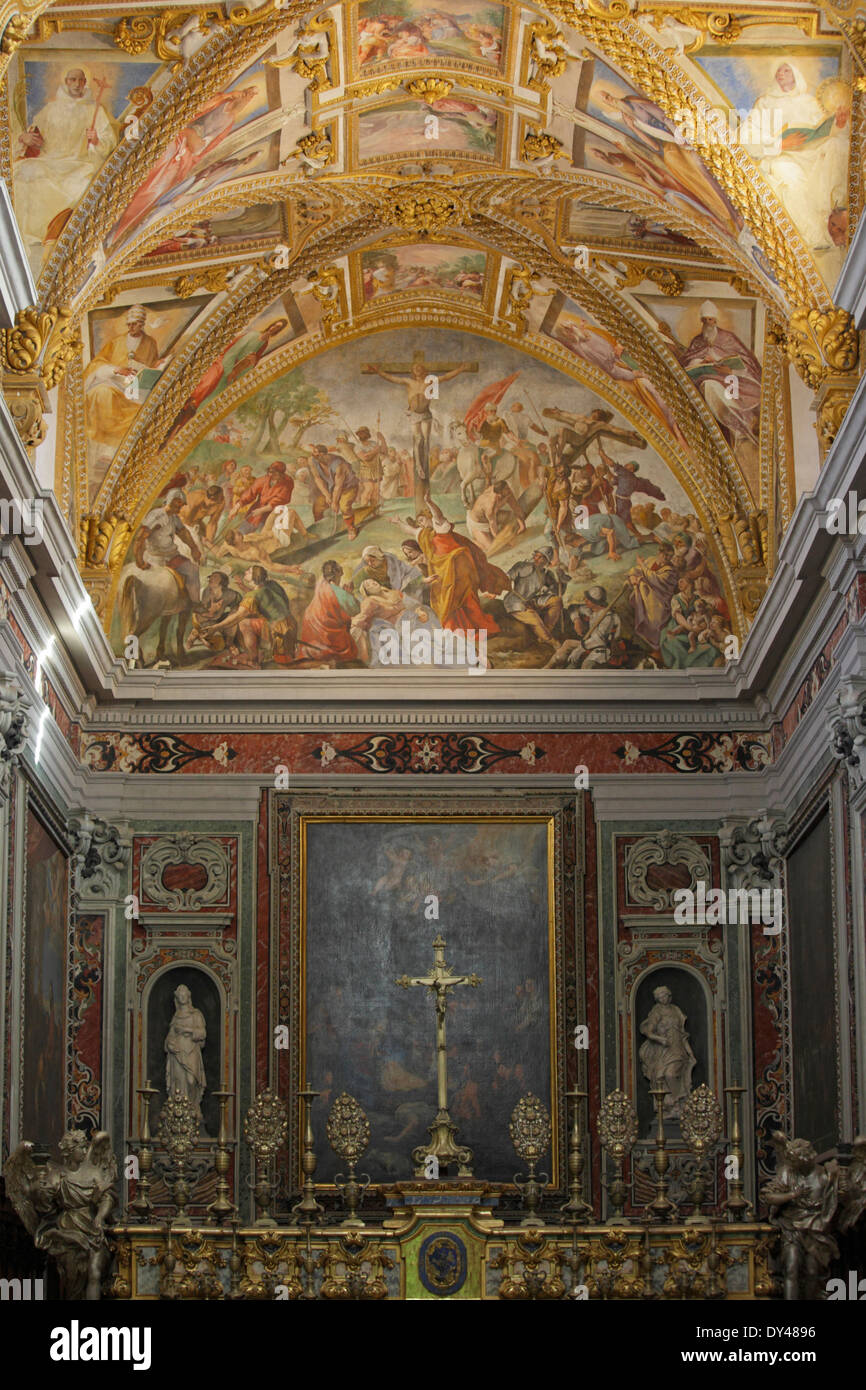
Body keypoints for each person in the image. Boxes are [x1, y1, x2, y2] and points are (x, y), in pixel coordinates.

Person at [14, 68, 115, 262]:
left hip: (80, 163)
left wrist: (95, 140)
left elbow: (109, 142)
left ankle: (57, 239)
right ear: (66, 82)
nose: (76, 84)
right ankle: (22, 237)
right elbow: (36, 138)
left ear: (85, 82)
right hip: (50, 160)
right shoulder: (51, 109)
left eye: (80, 80)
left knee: (78, 185)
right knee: (26, 171)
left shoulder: (94, 109)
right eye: (72, 80)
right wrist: (25, 138)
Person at [84, 305, 162, 455]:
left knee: (143, 409)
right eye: (129, 324)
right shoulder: (116, 342)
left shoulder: (150, 343)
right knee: (101, 393)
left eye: (135, 324)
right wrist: (116, 369)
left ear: (142, 324)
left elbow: (151, 367)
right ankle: (105, 442)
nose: (131, 327)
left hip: (137, 387)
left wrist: (154, 367)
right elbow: (97, 364)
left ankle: (122, 447)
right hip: (114, 382)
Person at [203, 564, 296, 666]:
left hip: (277, 631)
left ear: (255, 576)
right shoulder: (271, 584)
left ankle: (253, 659)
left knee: (244, 622)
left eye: (249, 571)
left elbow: (237, 617)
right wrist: (244, 587)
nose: (246, 571)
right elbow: (261, 596)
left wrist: (215, 627)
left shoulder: (251, 597)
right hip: (290, 624)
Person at [638, 984, 696, 1121]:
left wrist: (691, 1053)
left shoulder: (676, 1010)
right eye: (660, 997)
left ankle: (678, 1104)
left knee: (670, 1074)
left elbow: (683, 1035)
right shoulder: (656, 1011)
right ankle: (670, 1107)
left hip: (677, 1049)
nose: (663, 998)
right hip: (662, 1050)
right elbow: (649, 1033)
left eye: (664, 995)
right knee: (659, 1077)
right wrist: (660, 1039)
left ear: (668, 995)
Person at [133, 489, 202, 604]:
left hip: (172, 556)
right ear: (170, 501)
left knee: (193, 569)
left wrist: (194, 548)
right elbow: (140, 538)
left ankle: (195, 603)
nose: (179, 508)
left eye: (181, 505)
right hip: (154, 559)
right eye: (177, 504)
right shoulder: (157, 516)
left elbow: (184, 534)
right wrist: (139, 561)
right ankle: (195, 604)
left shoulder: (174, 518)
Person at [297, 560, 360, 664]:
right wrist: (350, 595)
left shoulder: (321, 585)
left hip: (311, 632)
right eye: (340, 573)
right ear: (338, 574)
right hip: (328, 637)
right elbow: (356, 610)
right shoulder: (341, 594)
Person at [545, 586, 624, 668]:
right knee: (568, 644)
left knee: (586, 665)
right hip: (589, 643)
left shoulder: (608, 617)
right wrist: (577, 620)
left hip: (603, 648)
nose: (585, 601)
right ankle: (548, 667)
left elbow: (599, 640)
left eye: (588, 599)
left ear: (595, 602)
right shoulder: (591, 610)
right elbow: (572, 607)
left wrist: (580, 649)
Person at [164, 983, 207, 1120]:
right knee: (178, 1082)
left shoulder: (196, 1014)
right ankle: (178, 1113)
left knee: (190, 1081)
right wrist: (169, 1045)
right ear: (177, 997)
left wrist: (187, 1030)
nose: (182, 997)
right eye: (179, 994)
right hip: (177, 1054)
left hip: (191, 1051)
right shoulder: (176, 1016)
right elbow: (169, 1037)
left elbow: (202, 1033)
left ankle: (193, 1108)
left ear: (188, 997)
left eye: (184, 994)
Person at [466, 479, 526, 551]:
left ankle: (493, 534)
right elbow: (493, 527)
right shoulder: (490, 505)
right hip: (478, 524)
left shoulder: (504, 491)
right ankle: (474, 541)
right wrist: (503, 542)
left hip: (492, 517)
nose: (509, 489)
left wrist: (522, 524)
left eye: (508, 488)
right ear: (499, 493)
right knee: (490, 548)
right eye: (507, 489)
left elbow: (516, 508)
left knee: (510, 517)